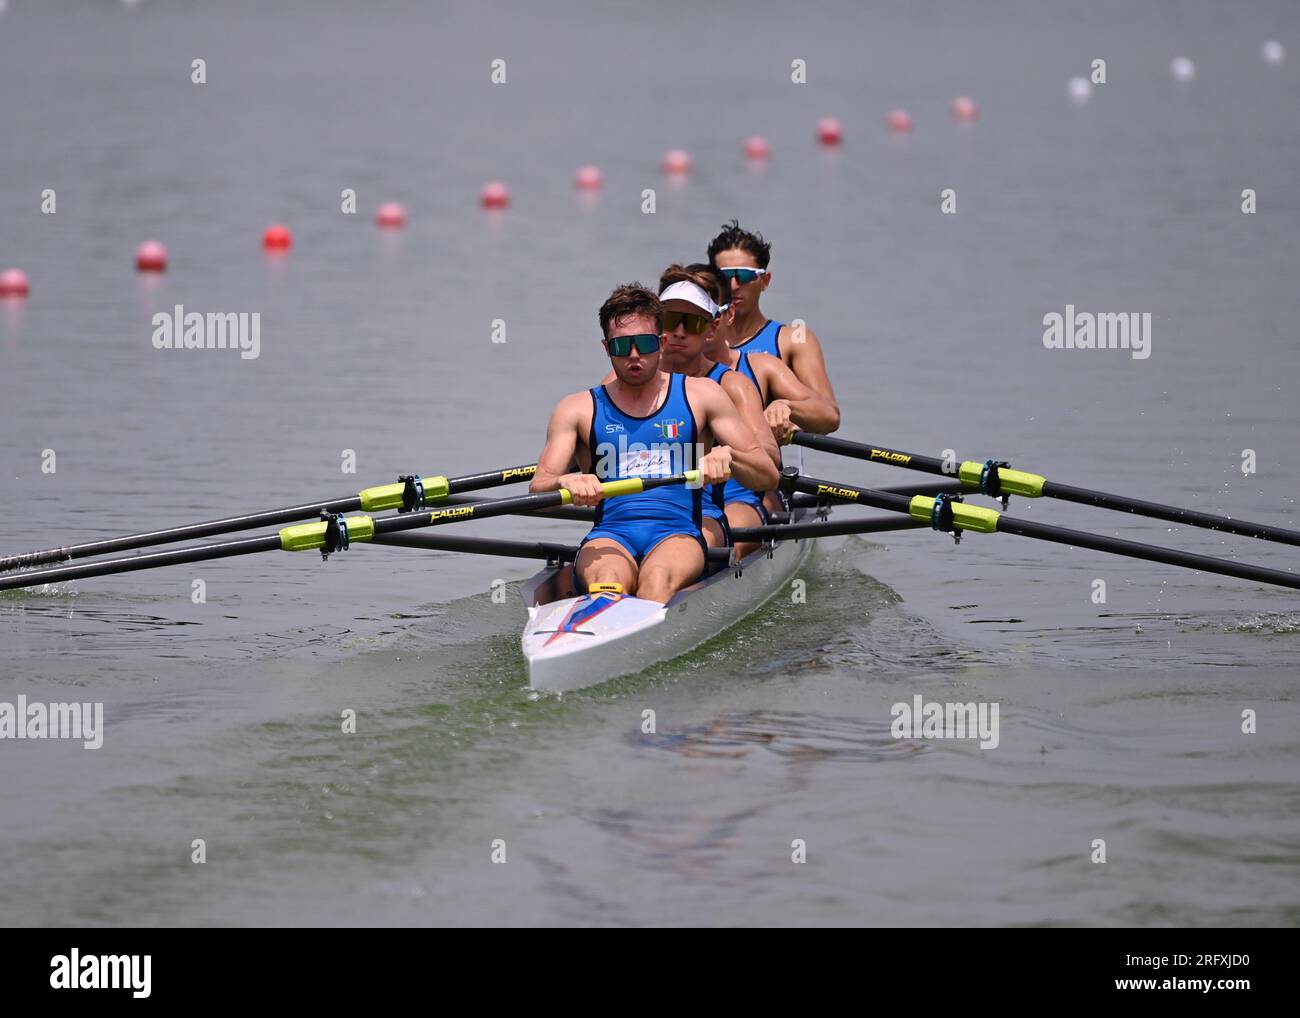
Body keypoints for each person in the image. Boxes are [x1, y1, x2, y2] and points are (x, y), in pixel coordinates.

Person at [530, 284, 779, 603]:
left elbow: (768, 475)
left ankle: (641, 617)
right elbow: (538, 490)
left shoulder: (702, 395)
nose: (635, 355)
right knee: (606, 584)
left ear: (660, 343)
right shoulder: (576, 408)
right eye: (622, 346)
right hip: (611, 535)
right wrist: (564, 482)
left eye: (645, 344)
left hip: (679, 532)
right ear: (607, 348)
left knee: (656, 580)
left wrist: (730, 457)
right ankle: (603, 619)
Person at [707, 219, 840, 417]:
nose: (733, 286)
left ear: (765, 280)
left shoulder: (793, 340)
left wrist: (788, 407)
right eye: (724, 277)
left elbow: (829, 413)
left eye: (744, 276)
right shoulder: (694, 339)